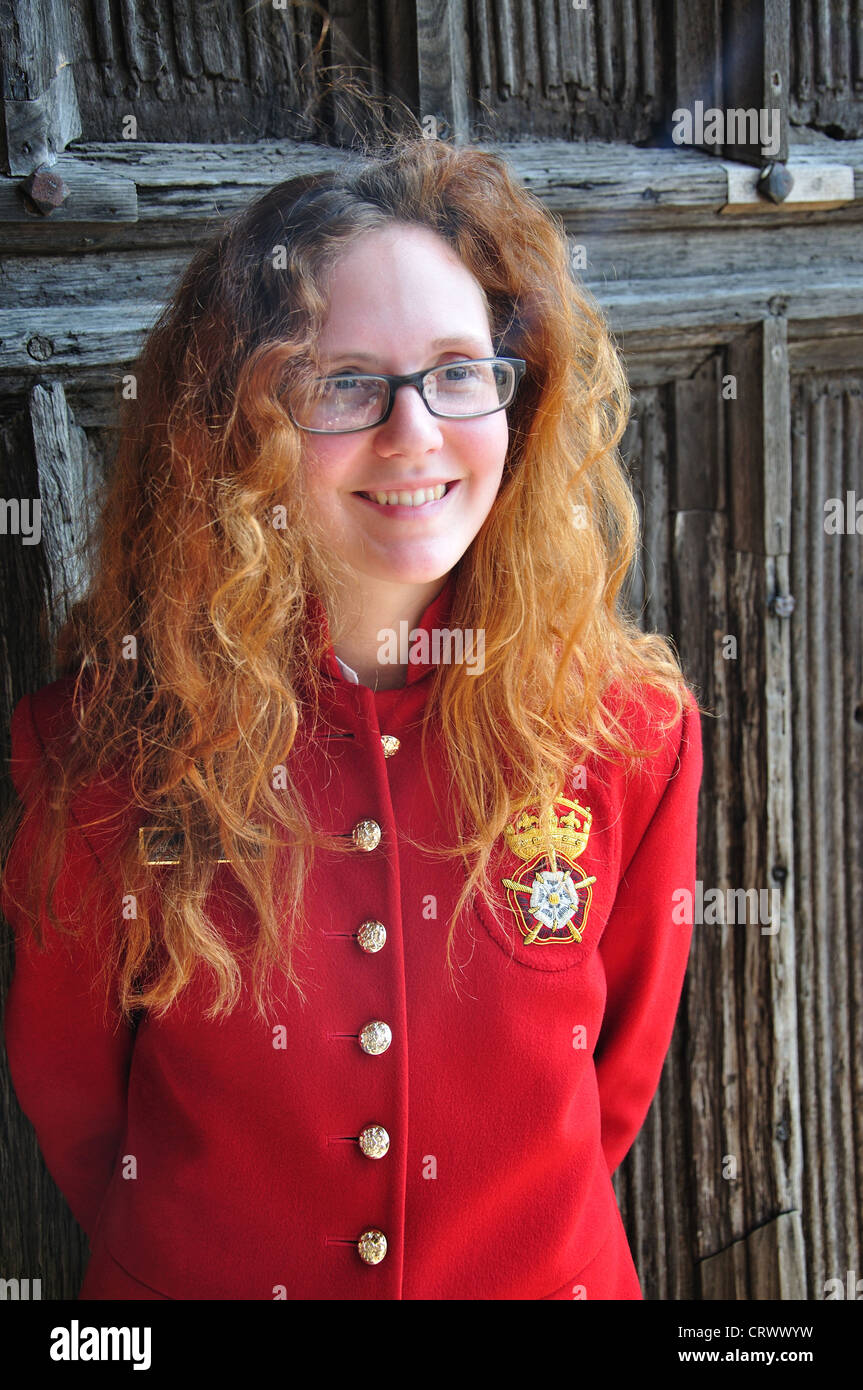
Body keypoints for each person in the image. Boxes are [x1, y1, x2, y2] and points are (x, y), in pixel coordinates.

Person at [1, 132, 703, 1301]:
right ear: (241, 423)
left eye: (456, 370)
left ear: (513, 398)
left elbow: (609, 1085)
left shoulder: (627, 731)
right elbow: (82, 1114)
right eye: (343, 382)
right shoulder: (98, 751)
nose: (414, 431)